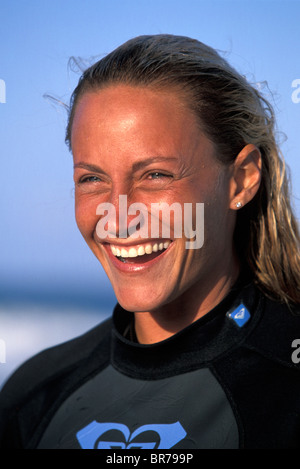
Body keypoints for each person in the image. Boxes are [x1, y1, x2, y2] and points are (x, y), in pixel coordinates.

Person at [0, 34, 299, 450]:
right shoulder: (33, 394)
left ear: (242, 179)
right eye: (92, 179)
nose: (118, 218)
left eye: (155, 175)